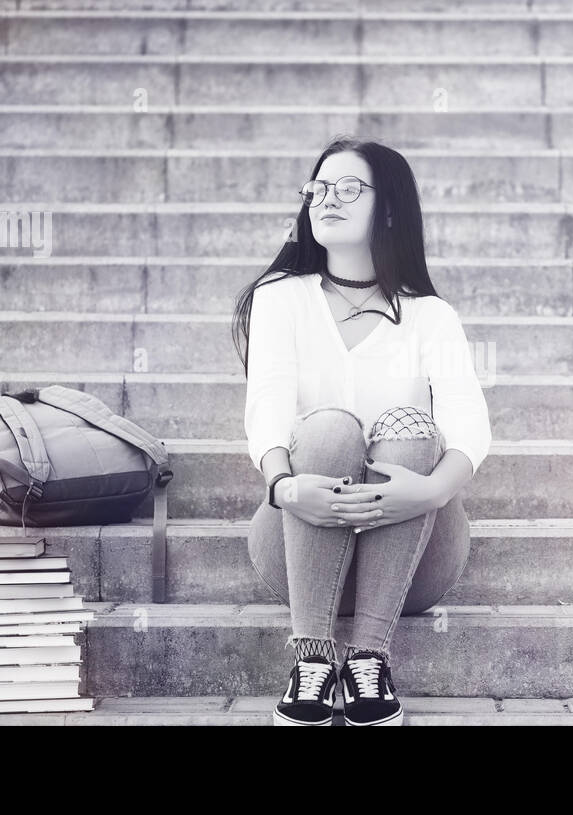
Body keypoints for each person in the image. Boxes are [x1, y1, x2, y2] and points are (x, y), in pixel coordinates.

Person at [232, 137, 492, 726]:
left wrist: (427, 491)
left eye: (349, 189)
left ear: (391, 209)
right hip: (296, 546)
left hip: (414, 560)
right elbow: (267, 407)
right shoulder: (281, 299)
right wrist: (285, 487)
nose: (328, 199)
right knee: (327, 429)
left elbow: (469, 423)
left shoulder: (430, 315)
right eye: (318, 189)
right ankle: (313, 660)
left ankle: (371, 655)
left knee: (414, 430)